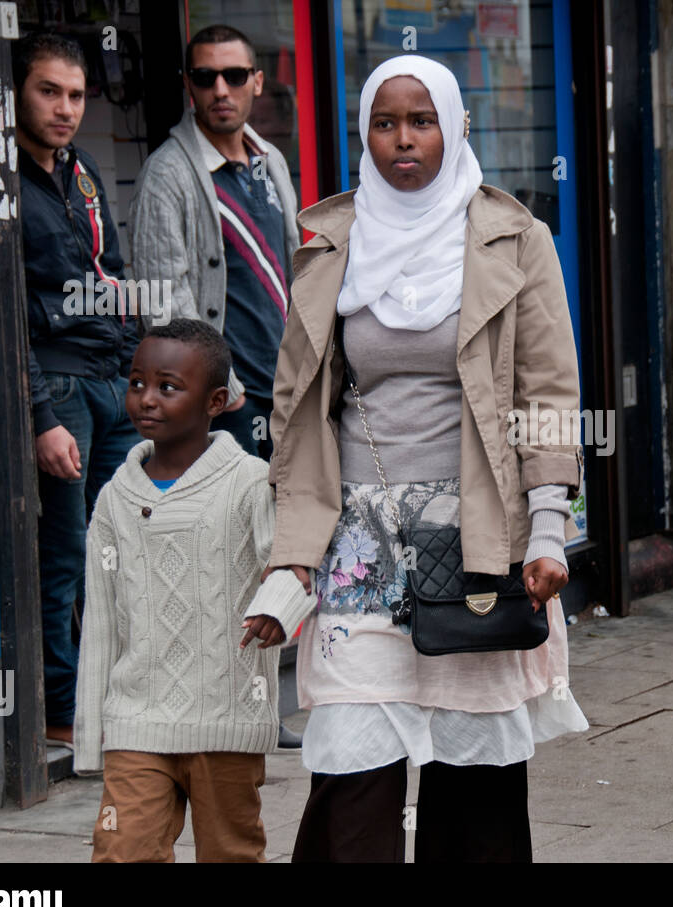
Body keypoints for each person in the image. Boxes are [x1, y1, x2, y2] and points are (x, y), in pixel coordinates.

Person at [265, 55, 588, 863]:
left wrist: (548, 528)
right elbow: (298, 406)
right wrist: (292, 556)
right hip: (359, 545)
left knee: (474, 779)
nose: (402, 139)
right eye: (385, 122)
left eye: (421, 121)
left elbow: (548, 392)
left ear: (455, 126)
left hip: (475, 538)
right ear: (364, 134)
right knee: (350, 765)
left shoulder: (516, 238)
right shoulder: (328, 243)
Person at [73, 319, 315, 862]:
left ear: (217, 401)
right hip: (138, 722)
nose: (146, 400)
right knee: (121, 851)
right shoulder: (115, 498)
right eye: (136, 383)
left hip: (225, 720)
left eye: (167, 386)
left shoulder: (250, 481)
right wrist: (94, 738)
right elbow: (103, 623)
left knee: (230, 852)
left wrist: (278, 610)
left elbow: (291, 565)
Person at [15, 33, 141, 750]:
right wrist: (40, 415)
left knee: (114, 557)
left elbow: (115, 274)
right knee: (62, 558)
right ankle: (61, 711)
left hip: (105, 385)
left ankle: (107, 699)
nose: (64, 109)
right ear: (18, 93)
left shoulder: (83, 169)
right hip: (56, 388)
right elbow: (6, 310)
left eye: (75, 94)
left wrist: (129, 371)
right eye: (48, 92)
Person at [129, 24, 299, 461]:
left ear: (257, 82)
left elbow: (292, 270)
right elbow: (163, 301)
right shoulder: (166, 174)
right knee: (230, 526)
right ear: (188, 84)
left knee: (289, 522)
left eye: (235, 76)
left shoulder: (271, 160)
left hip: (288, 389)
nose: (221, 89)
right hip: (228, 402)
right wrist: (227, 388)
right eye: (205, 77)